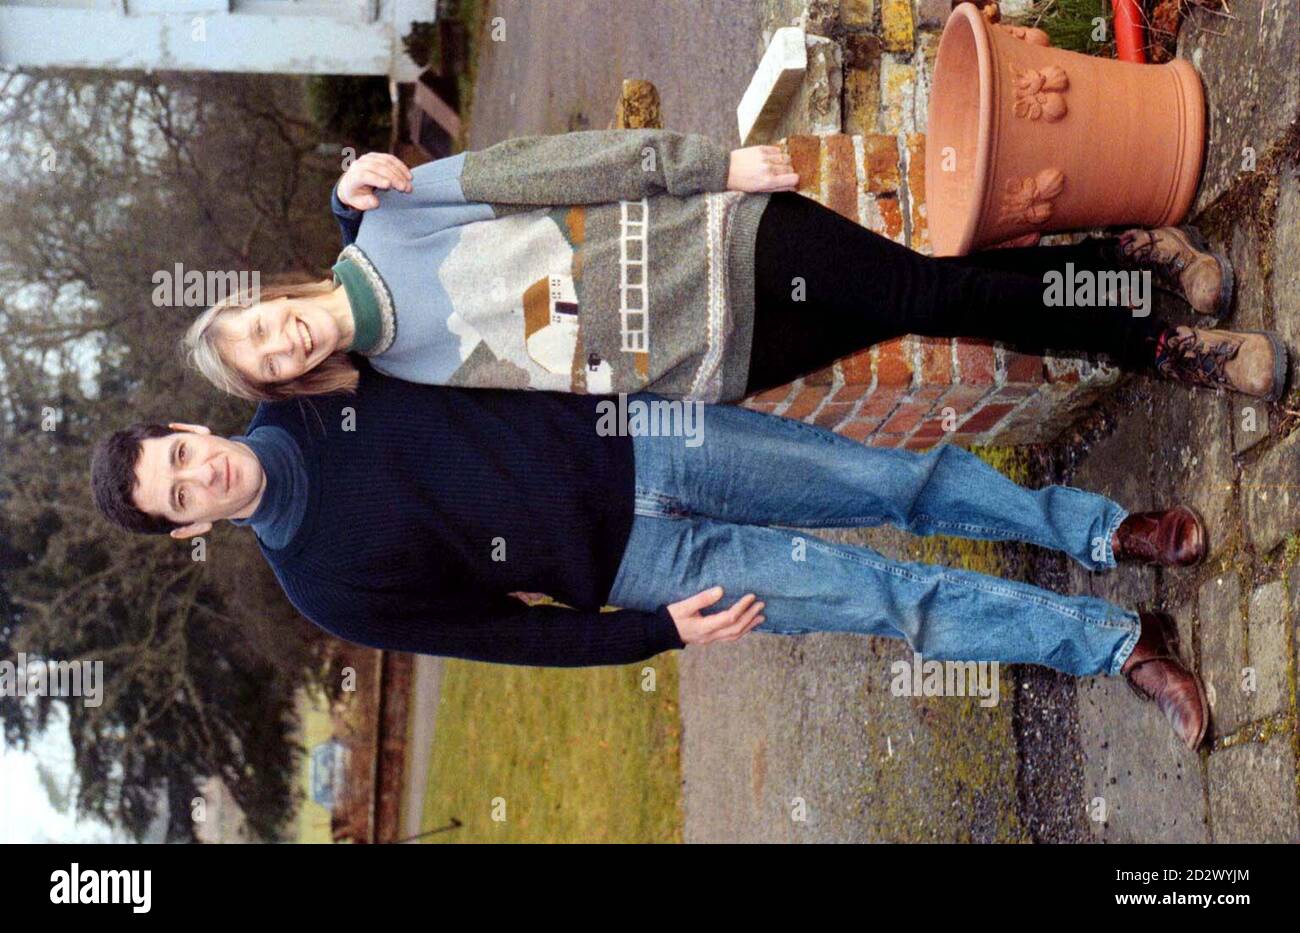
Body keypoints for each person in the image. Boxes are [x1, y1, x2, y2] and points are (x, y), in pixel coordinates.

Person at [91, 364, 1211, 749]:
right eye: (179, 499)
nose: (201, 477)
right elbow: (503, 636)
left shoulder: (316, 387)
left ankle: (1099, 532)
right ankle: (1113, 645)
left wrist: (354, 196)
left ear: (191, 429)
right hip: (638, 574)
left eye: (182, 456)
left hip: (642, 437)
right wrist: (649, 635)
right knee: (882, 602)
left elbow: (402, 277)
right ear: (188, 528)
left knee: (891, 481)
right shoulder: (324, 587)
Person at [182, 130, 1286, 406]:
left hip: (728, 243)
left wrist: (702, 164)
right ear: (286, 381)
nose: (286, 344)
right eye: (268, 365)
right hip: (724, 354)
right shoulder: (404, 380)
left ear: (271, 304)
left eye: (263, 327)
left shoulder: (389, 219)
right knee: (945, 307)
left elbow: (543, 163)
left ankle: (1162, 342)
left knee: (933, 291)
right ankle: (1127, 256)